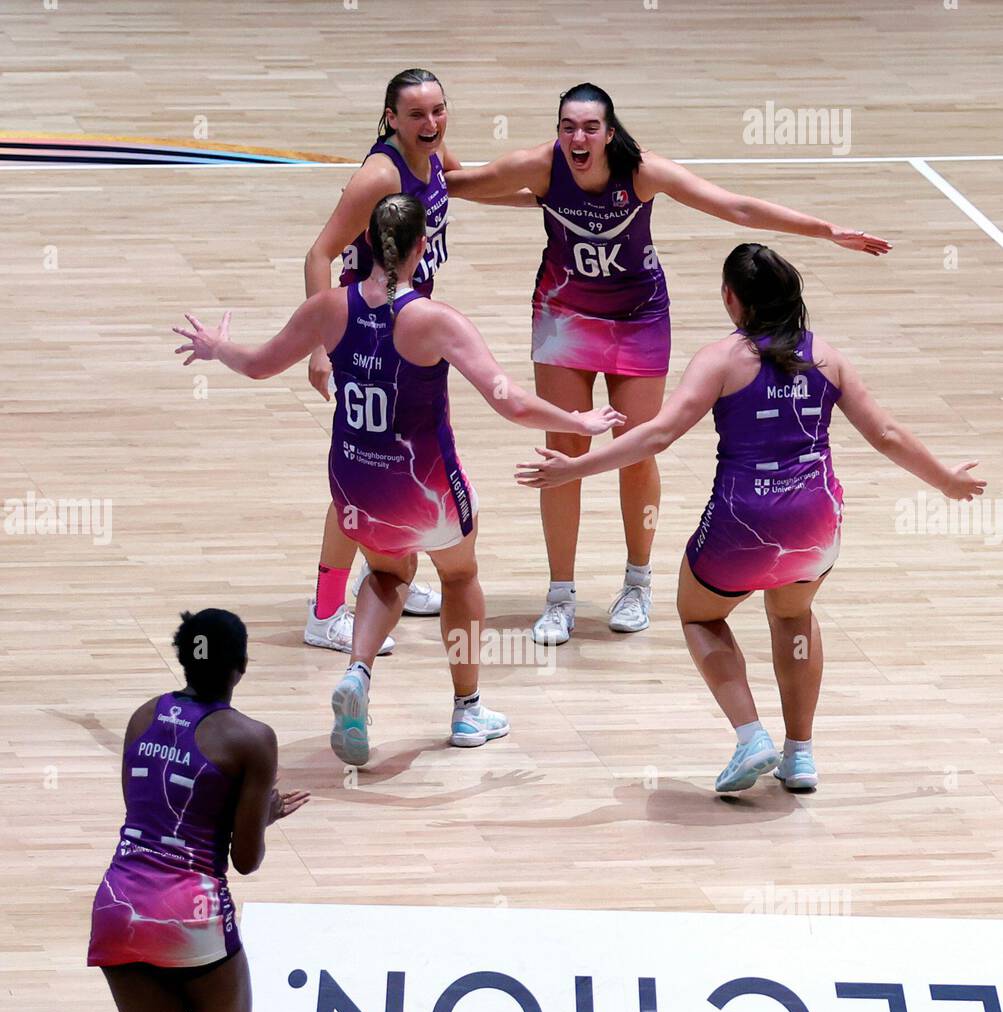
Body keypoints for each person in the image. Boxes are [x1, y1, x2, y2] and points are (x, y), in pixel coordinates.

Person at [517, 243, 985, 792]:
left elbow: (659, 434)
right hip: (815, 526)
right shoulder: (826, 357)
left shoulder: (720, 360)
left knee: (699, 616)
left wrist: (578, 466)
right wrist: (947, 481)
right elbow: (885, 434)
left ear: (731, 300)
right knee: (793, 618)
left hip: (744, 525)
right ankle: (801, 754)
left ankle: (750, 736)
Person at [173, 195, 624, 764]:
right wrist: (576, 420)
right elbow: (507, 400)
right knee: (459, 577)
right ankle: (466, 709)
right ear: (420, 249)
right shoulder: (433, 320)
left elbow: (260, 365)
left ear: (363, 242)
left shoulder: (328, 309)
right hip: (425, 490)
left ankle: (358, 674)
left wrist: (217, 347)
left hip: (355, 485)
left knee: (388, 574)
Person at [448, 83, 891, 645]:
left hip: (638, 317)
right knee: (564, 449)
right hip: (564, 314)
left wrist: (825, 231)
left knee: (637, 451)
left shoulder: (642, 171)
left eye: (589, 127)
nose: (578, 137)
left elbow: (735, 206)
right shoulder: (539, 165)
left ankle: (637, 581)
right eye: (568, 126)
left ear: (610, 132)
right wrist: (415, 151)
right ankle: (560, 593)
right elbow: (454, 185)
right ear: (557, 130)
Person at [68, 610, 308, 1012]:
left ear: (183, 659)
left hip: (117, 905)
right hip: (192, 914)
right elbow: (246, 856)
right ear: (240, 666)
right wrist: (260, 812)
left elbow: (145, 816)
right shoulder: (252, 739)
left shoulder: (144, 716)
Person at [303, 67, 535, 654]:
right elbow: (319, 254)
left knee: (394, 463)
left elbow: (460, 181)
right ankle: (325, 612)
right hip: (372, 332)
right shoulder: (379, 175)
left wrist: (543, 199)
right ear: (390, 118)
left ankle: (387, 568)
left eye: (438, 110)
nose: (431, 123)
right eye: (416, 115)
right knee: (362, 471)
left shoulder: (429, 153)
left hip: (411, 328)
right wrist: (318, 347)